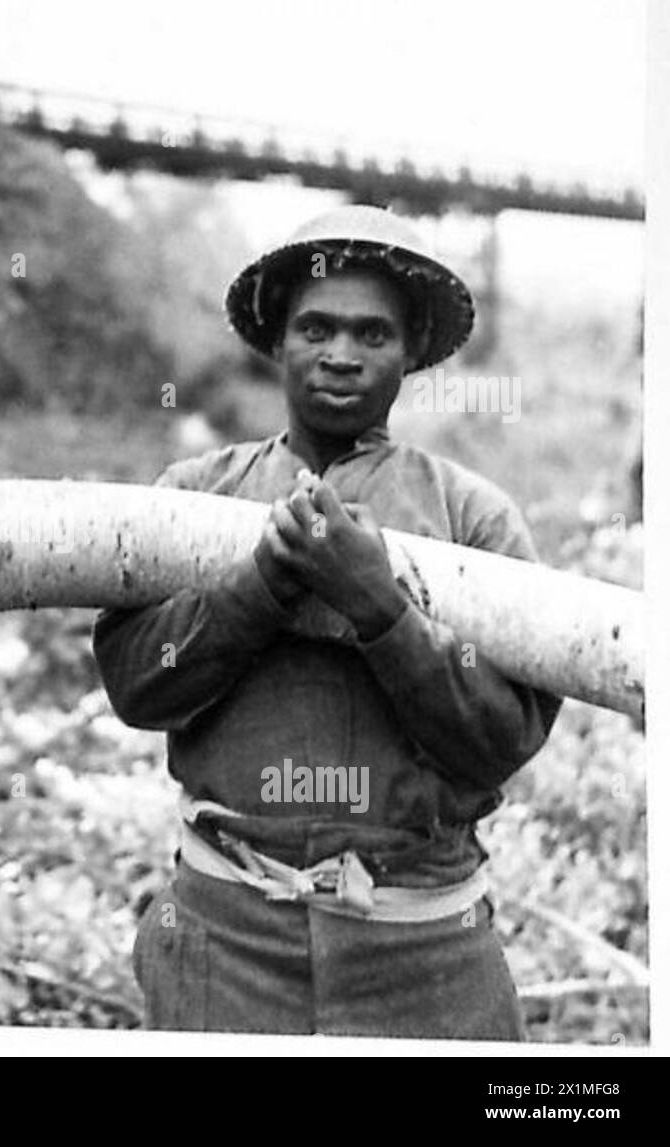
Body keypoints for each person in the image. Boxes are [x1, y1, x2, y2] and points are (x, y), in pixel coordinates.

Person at [93, 206, 562, 1040]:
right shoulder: (194, 492)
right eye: (316, 327)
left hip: (425, 947)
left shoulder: (474, 517)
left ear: (412, 348)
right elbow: (138, 685)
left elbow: (499, 739)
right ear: (277, 340)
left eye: (373, 334)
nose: (342, 355)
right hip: (225, 935)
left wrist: (379, 606)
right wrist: (259, 588)